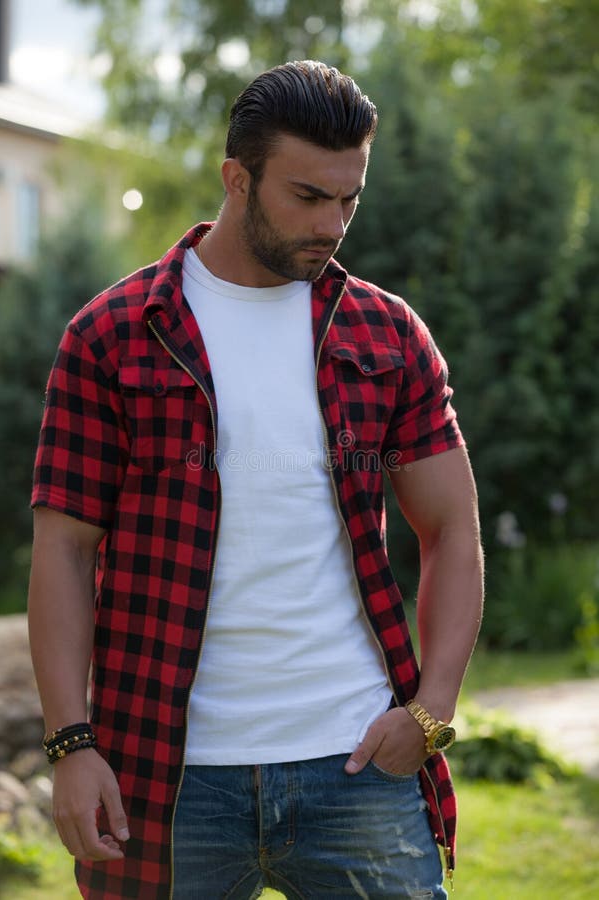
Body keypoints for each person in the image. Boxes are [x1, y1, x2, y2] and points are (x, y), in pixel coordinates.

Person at [28, 60, 483, 900]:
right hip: (165, 774)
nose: (335, 223)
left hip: (357, 763)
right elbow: (61, 550)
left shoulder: (387, 336)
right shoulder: (113, 336)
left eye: (350, 199)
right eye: (309, 197)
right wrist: (71, 743)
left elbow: (452, 529)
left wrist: (430, 711)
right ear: (237, 179)